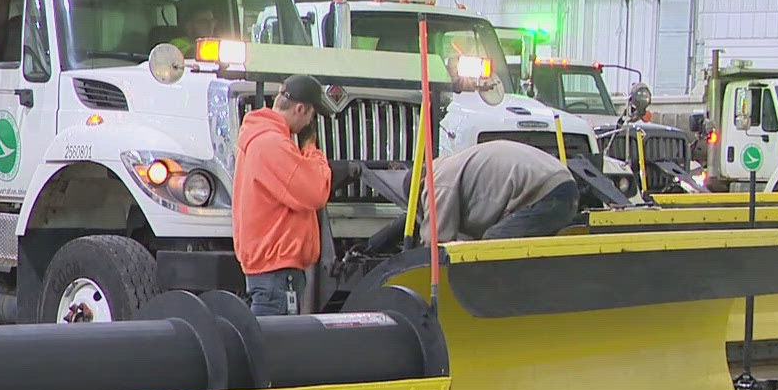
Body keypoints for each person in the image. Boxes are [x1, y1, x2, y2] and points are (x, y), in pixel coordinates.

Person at [233, 74, 356, 316]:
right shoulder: (272, 144)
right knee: (275, 347)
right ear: (301, 108)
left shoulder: (261, 139)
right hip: (277, 272)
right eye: (312, 114)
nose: (311, 121)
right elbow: (315, 191)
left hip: (273, 270)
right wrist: (312, 150)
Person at [373, 139, 577, 249]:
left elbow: (436, 243)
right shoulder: (449, 166)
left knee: (491, 246)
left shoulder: (438, 182)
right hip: (562, 187)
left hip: (547, 195)